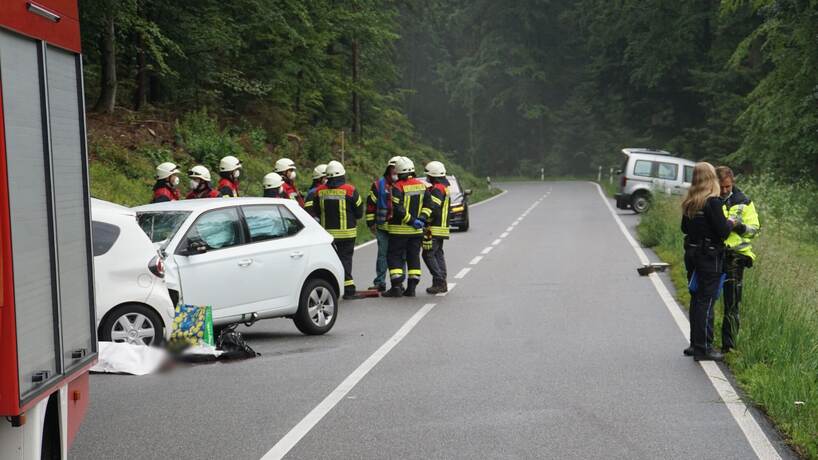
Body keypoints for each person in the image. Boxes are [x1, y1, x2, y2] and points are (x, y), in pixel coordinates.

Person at [681, 162, 736, 362]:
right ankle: (703, 347)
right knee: (707, 300)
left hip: (692, 253)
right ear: (711, 178)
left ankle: (694, 344)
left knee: (696, 299)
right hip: (709, 256)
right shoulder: (712, 202)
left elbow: (684, 228)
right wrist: (731, 222)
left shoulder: (690, 201)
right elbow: (723, 231)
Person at [715, 166, 760, 353]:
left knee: (732, 304)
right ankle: (703, 342)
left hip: (736, 258)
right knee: (705, 299)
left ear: (732, 182)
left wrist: (739, 227)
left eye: (727, 186)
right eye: (721, 187)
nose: (725, 190)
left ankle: (729, 346)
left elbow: (755, 229)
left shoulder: (744, 202)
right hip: (714, 255)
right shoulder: (711, 200)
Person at [309, 161, 365, 300]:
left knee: (331, 261)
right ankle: (349, 290)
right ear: (342, 174)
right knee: (345, 260)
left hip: (328, 235)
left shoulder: (319, 191)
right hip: (347, 234)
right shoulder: (351, 190)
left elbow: (316, 211)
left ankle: (333, 289)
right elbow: (359, 212)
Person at [382, 157, 426, 298]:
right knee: (413, 257)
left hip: (399, 231)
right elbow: (429, 206)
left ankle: (396, 287)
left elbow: (398, 209)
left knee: (394, 257)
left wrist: (411, 220)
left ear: (399, 172)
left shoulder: (397, 187)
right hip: (416, 232)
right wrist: (421, 219)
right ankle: (411, 288)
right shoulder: (422, 185)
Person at [365, 156, 401, 292]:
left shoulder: (403, 185)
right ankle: (380, 282)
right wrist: (370, 223)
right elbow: (370, 205)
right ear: (389, 169)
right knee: (382, 255)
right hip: (382, 227)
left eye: (398, 168)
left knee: (399, 256)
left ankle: (397, 283)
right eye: (393, 168)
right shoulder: (378, 185)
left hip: (399, 228)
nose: (396, 171)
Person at [421, 161, 451, 294]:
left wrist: (424, 220)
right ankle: (440, 282)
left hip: (434, 227)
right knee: (438, 254)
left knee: (427, 254)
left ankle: (439, 282)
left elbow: (434, 208)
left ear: (432, 176)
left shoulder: (437, 189)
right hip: (442, 227)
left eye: (428, 175)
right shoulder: (444, 187)